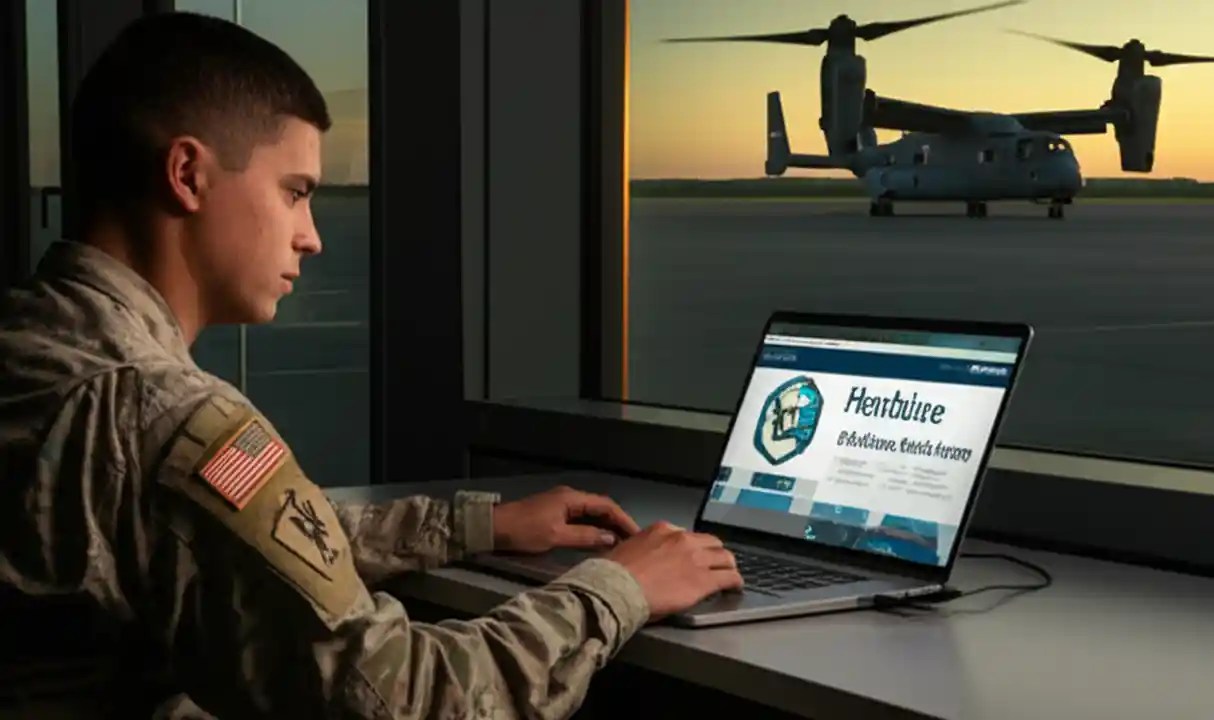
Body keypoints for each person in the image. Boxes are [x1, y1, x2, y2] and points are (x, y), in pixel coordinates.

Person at [0, 11, 743, 718]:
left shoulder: (35, 347)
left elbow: (239, 541)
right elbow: (411, 700)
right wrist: (620, 587)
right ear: (189, 175)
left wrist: (473, 527)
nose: (311, 236)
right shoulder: (169, 420)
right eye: (294, 193)